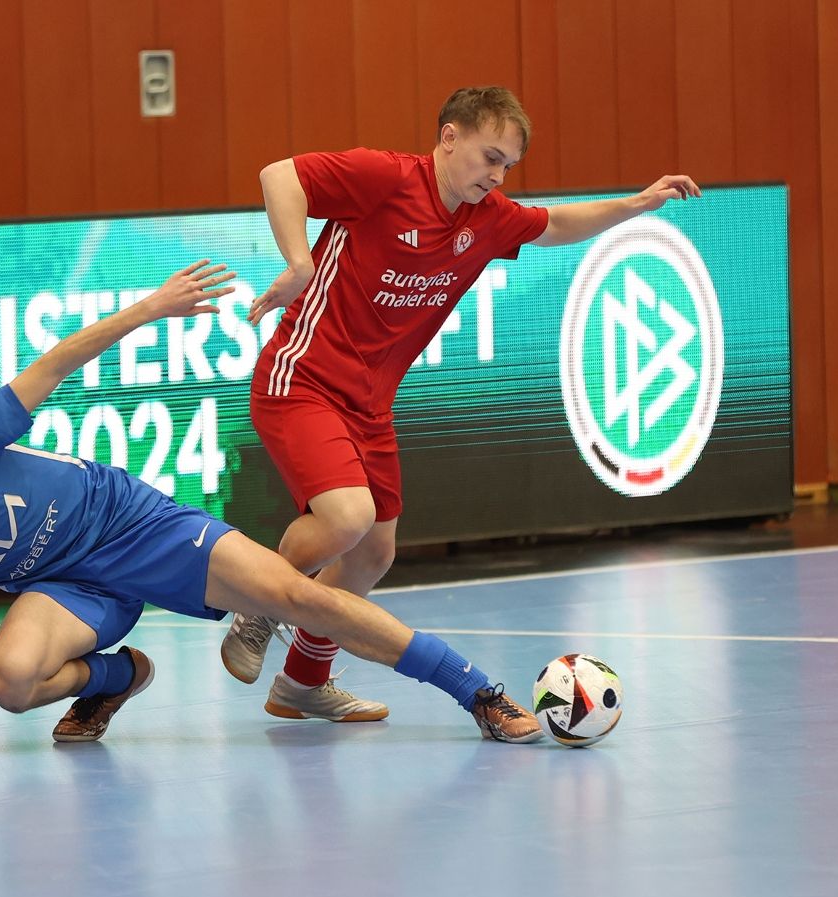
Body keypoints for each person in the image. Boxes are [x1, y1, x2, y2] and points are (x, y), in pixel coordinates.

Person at [0, 260, 541, 754]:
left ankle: (473, 687)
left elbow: (58, 360)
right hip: (70, 589)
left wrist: (151, 307)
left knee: (302, 596)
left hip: (133, 526)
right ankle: (117, 673)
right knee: (7, 682)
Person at [220, 86, 701, 721]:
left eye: (508, 166)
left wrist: (637, 204)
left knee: (373, 552)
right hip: (301, 378)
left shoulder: (487, 217)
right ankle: (259, 607)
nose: (497, 176)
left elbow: (555, 223)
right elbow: (279, 176)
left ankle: (303, 682)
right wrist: (300, 262)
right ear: (450, 137)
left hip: (369, 403)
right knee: (345, 518)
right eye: (489, 157)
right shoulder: (386, 178)